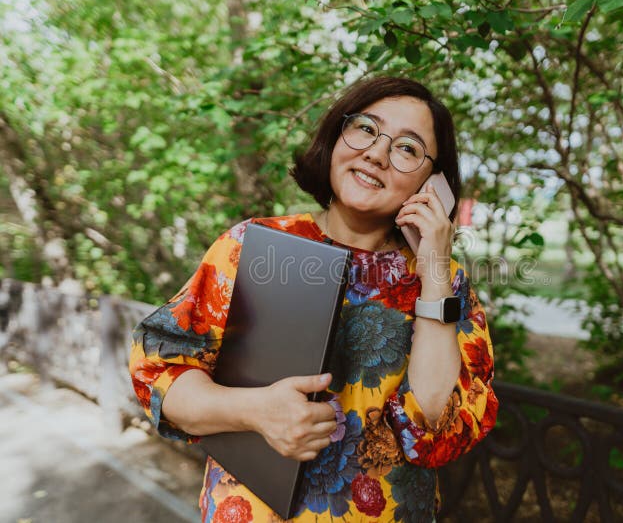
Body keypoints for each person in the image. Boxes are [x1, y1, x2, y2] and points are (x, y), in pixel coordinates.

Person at [129, 76, 498, 522]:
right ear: (336, 134)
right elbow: (160, 374)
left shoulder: (445, 280)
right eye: (366, 128)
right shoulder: (252, 246)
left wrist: (435, 276)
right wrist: (254, 411)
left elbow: (434, 430)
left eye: (407, 148)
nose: (377, 153)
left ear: (432, 183)